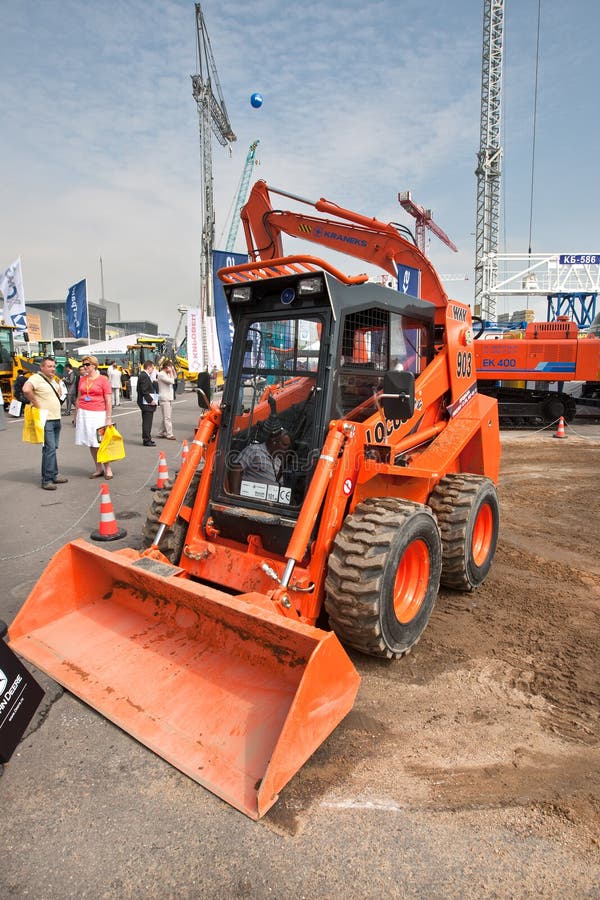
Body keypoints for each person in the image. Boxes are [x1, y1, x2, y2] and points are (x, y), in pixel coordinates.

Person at [21, 356, 69, 490]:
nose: (53, 369)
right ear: (42, 367)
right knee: (50, 449)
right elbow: (26, 389)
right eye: (49, 366)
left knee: (52, 449)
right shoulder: (36, 378)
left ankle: (54, 475)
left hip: (55, 418)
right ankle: (47, 480)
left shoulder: (52, 380)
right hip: (46, 419)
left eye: (54, 366)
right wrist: (36, 403)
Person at [73, 355, 114, 479]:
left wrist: (108, 417)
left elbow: (108, 400)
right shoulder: (82, 379)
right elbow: (79, 397)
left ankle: (107, 468)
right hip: (84, 413)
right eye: (83, 364)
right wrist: (76, 415)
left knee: (101, 442)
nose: (84, 367)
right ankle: (98, 468)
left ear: (94, 366)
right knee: (91, 442)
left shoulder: (103, 380)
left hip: (98, 413)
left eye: (87, 365)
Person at [229, 420, 291, 494]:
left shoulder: (278, 461)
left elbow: (280, 484)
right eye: (284, 444)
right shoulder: (254, 450)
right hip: (249, 500)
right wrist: (235, 496)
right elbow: (235, 470)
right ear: (274, 441)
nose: (286, 448)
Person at [137, 360, 158, 446]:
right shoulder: (144, 376)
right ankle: (146, 440)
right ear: (148, 367)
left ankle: (147, 438)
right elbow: (144, 390)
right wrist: (151, 400)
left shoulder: (144, 375)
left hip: (145, 402)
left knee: (147, 421)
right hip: (146, 403)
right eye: (152, 368)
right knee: (147, 422)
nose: (153, 370)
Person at [156, 361, 176, 440]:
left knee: (166, 417)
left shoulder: (167, 374)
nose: (171, 369)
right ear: (166, 367)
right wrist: (171, 371)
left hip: (168, 398)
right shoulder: (161, 374)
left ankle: (160, 432)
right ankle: (169, 434)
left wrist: (172, 370)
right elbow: (172, 381)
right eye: (170, 367)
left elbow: (175, 377)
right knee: (167, 418)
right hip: (165, 398)